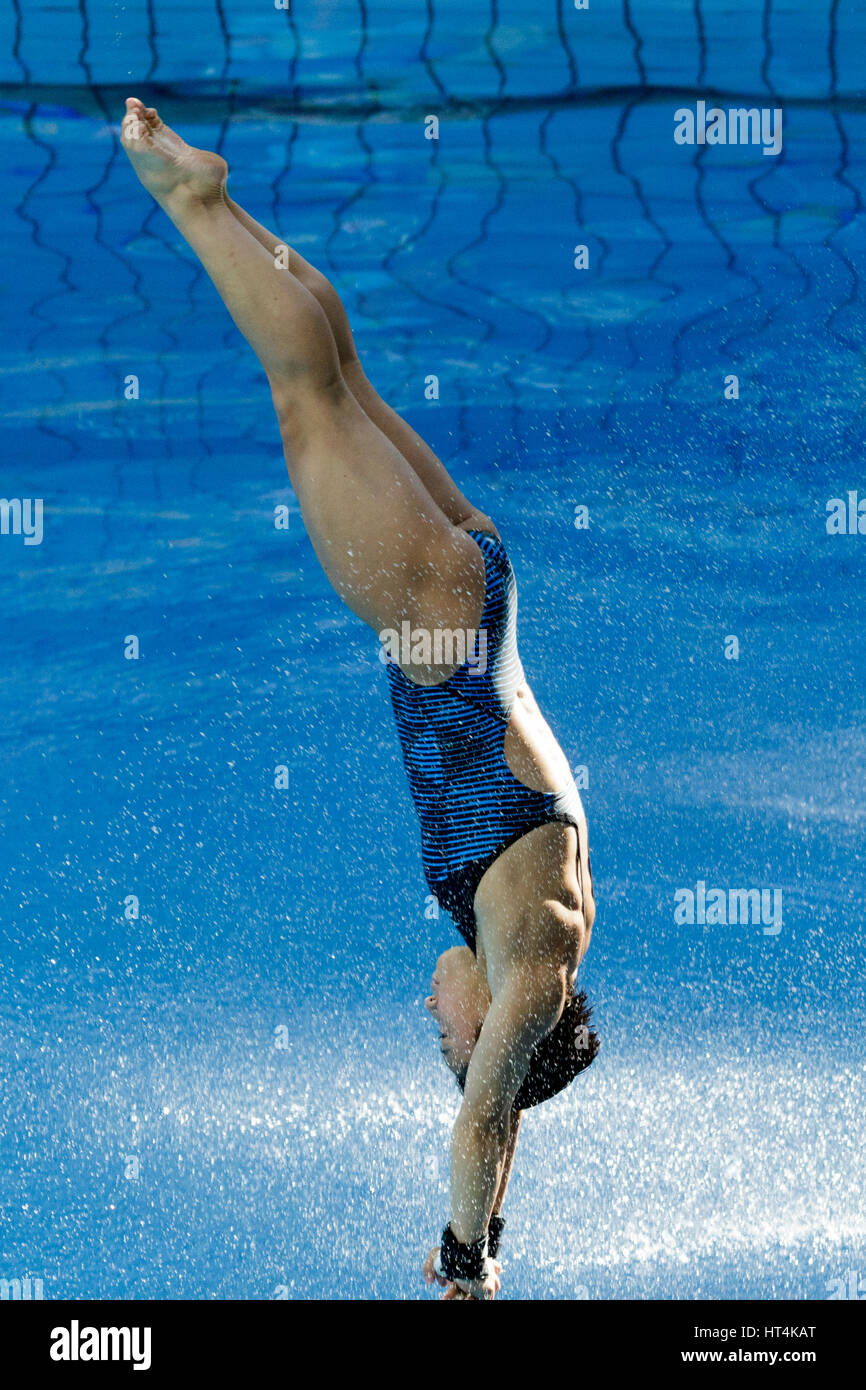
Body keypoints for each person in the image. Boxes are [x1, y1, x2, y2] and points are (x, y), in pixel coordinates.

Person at [119, 96, 599, 1301]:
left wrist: (491, 1223)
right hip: (436, 624)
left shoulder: (539, 942)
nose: (432, 1018)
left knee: (340, 374)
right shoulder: (533, 967)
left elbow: (499, 1117)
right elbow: (485, 1114)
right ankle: (196, 203)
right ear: (493, 1035)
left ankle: (221, 204)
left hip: (475, 589)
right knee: (306, 397)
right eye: (448, 1041)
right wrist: (465, 1265)